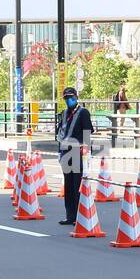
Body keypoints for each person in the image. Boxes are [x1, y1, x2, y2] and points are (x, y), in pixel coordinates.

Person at [55, 86, 93, 226]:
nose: (68, 100)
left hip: (77, 152)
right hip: (66, 152)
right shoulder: (64, 113)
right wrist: (59, 152)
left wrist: (86, 151)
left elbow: (87, 131)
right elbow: (61, 133)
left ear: (76, 97)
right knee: (68, 186)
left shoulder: (83, 112)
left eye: (71, 97)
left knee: (77, 185)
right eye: (66, 98)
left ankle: (79, 216)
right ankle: (70, 216)